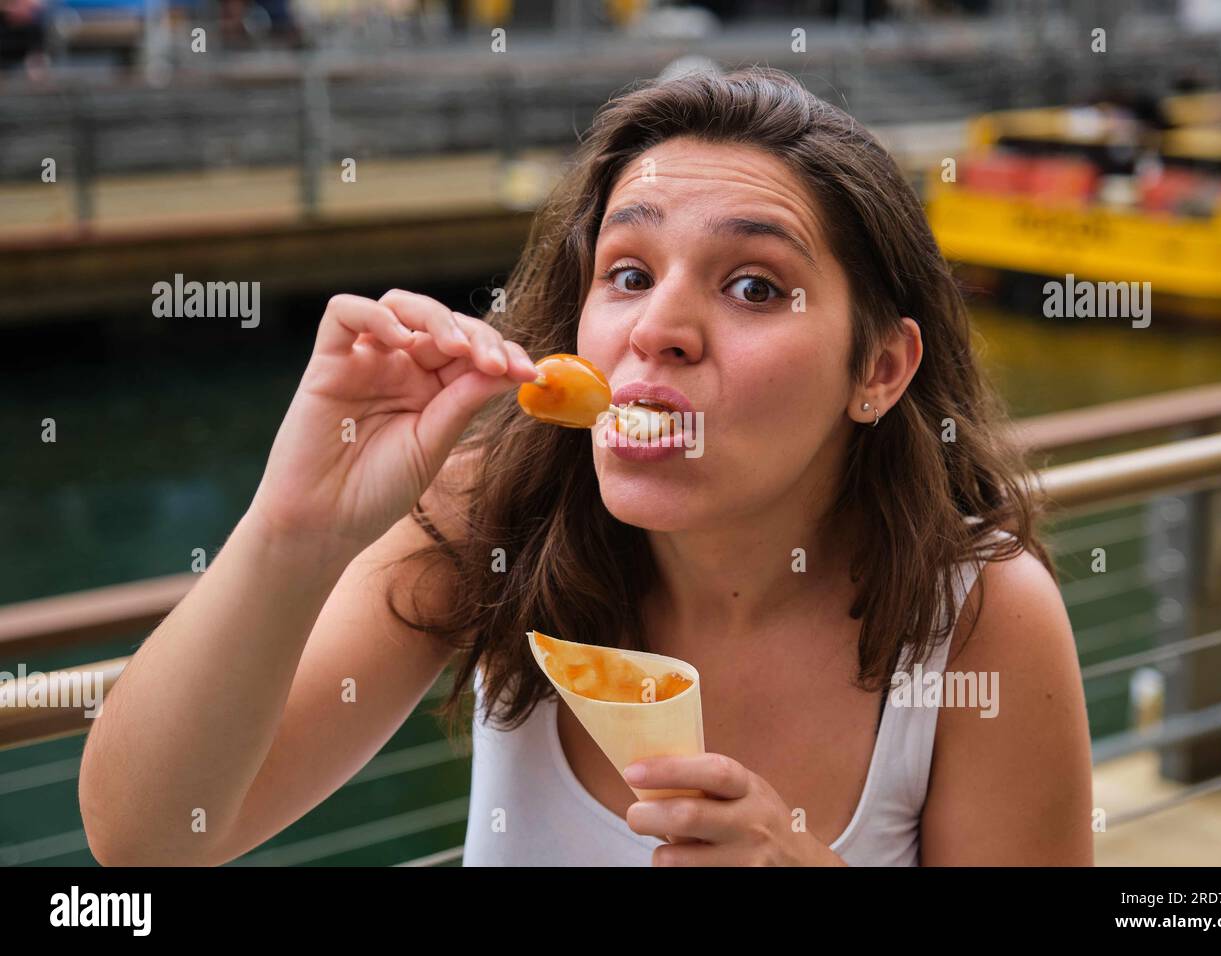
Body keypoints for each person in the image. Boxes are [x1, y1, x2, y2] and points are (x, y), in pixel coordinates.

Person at [78, 67, 1094, 866]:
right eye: (627, 272)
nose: (658, 328)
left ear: (877, 368)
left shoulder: (979, 617)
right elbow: (151, 837)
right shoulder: (490, 512)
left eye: (752, 284)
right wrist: (296, 527)